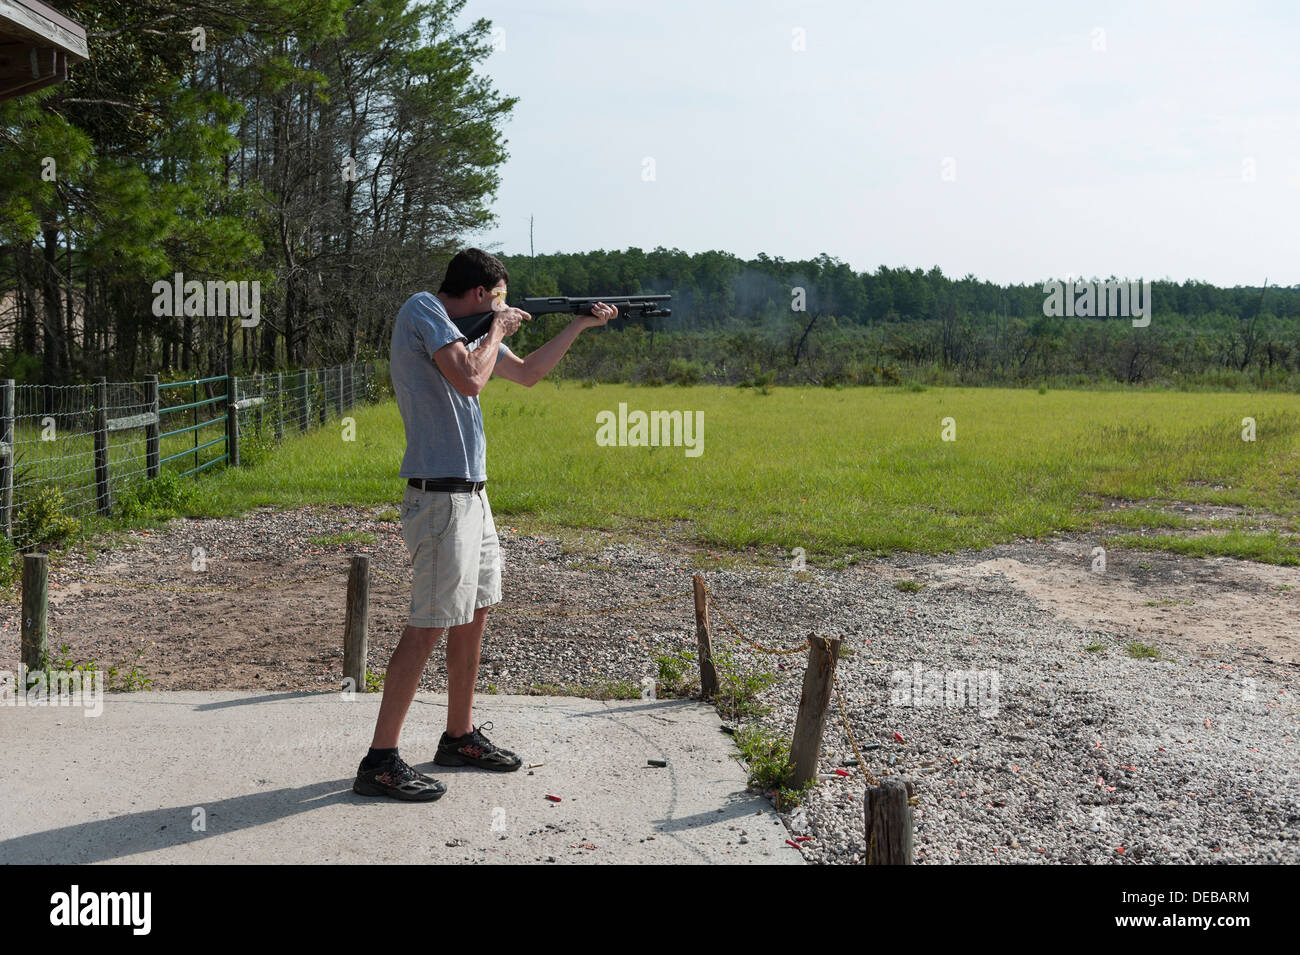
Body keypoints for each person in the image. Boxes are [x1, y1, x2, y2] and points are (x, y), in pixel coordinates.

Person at [353, 248, 617, 801]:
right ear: (479, 294)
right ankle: (380, 760)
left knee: (475, 609)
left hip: (473, 494)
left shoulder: (468, 328)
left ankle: (458, 735)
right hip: (440, 495)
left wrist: (578, 324)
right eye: (497, 297)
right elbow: (471, 380)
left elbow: (529, 375)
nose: (503, 306)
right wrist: (496, 326)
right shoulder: (424, 310)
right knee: (428, 624)